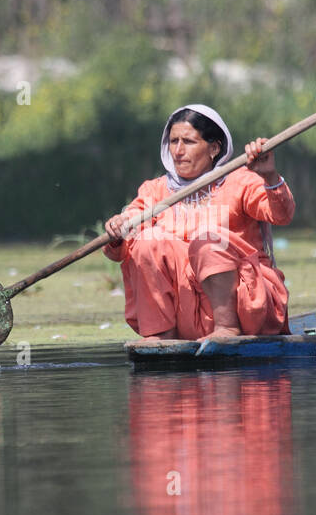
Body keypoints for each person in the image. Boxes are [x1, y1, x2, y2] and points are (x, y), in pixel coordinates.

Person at [103, 104, 295, 341]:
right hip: (186, 316)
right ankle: (161, 334)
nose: (178, 151)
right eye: (173, 142)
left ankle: (226, 328)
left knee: (207, 240)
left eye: (189, 142)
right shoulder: (155, 190)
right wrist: (117, 229)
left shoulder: (240, 181)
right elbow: (118, 250)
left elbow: (282, 216)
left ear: (214, 148)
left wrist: (270, 176)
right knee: (146, 242)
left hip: (245, 311)